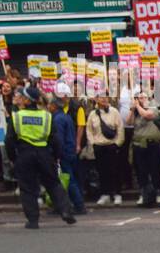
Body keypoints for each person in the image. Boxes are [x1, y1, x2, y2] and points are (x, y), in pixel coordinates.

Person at [9, 86, 76, 230]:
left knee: (27, 188)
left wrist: (13, 158)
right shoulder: (46, 116)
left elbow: (9, 140)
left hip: (25, 154)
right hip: (44, 153)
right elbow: (55, 139)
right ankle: (66, 211)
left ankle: (33, 220)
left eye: (22, 97)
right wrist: (56, 156)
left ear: (27, 100)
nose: (20, 99)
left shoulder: (17, 117)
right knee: (53, 183)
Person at [46, 91, 87, 216]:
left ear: (54, 106)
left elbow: (59, 139)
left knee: (68, 180)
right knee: (71, 178)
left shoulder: (57, 119)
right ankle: (73, 204)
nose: (48, 107)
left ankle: (79, 205)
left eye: (49, 105)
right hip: (70, 150)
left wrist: (57, 154)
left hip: (64, 153)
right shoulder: (65, 116)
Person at [87, 92, 125, 205]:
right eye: (101, 97)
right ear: (96, 99)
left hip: (112, 146)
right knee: (102, 171)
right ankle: (105, 194)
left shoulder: (114, 112)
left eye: (105, 97)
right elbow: (89, 130)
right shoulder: (93, 114)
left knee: (114, 171)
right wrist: (93, 143)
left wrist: (117, 143)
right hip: (99, 146)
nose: (104, 99)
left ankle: (117, 194)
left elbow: (120, 129)